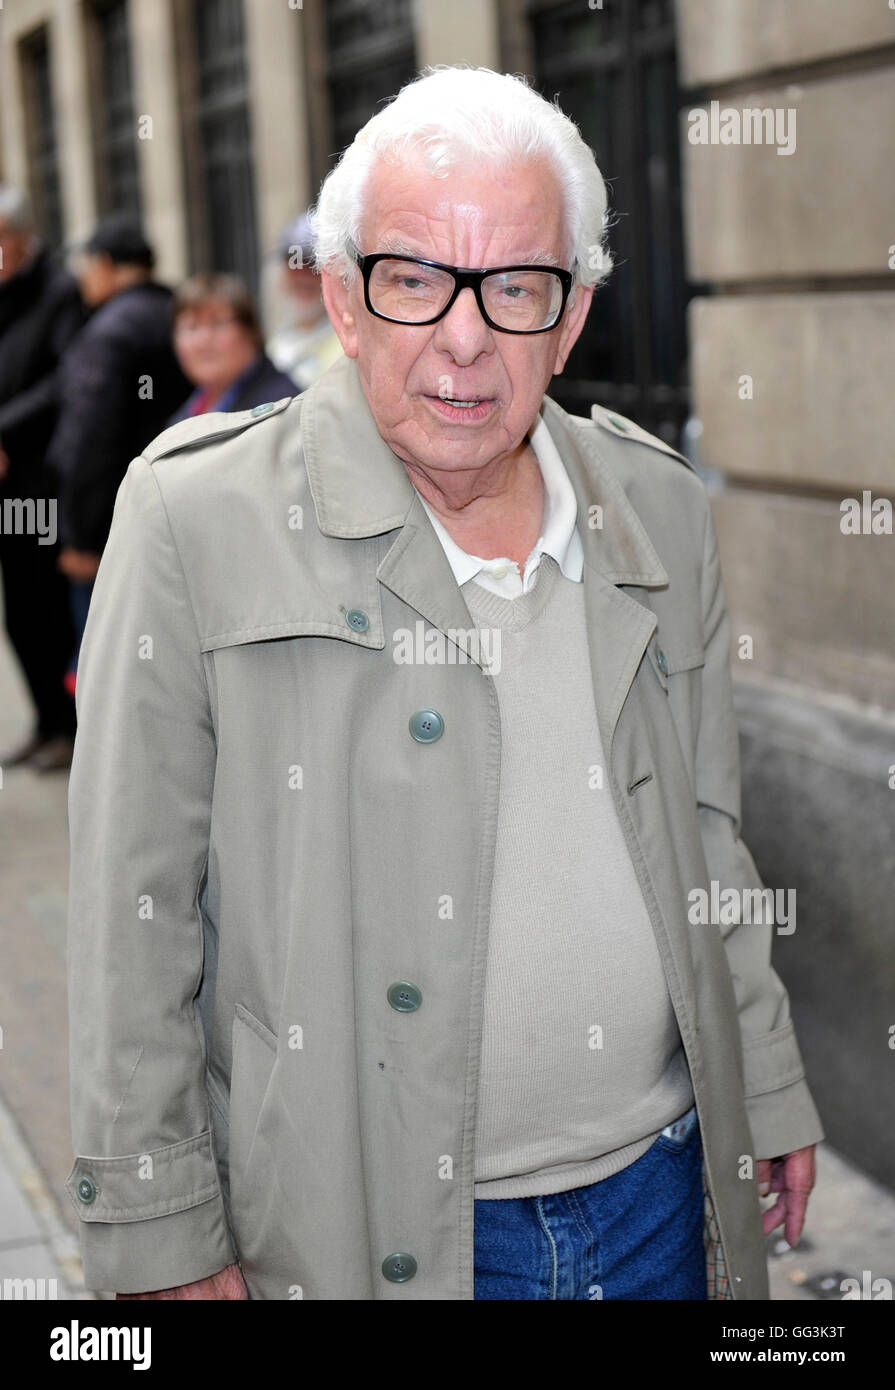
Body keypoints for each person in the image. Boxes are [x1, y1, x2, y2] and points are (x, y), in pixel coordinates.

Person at [65, 65, 824, 1301]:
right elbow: (132, 906)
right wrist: (158, 1227)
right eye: (415, 279)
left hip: (658, 1201)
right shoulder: (193, 515)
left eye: (515, 285)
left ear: (571, 316)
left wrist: (770, 1082)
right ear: (342, 298)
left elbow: (706, 838)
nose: (464, 338)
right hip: (360, 1227)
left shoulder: (657, 510)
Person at [45, 214, 192, 679]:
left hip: (112, 524)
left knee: (106, 667)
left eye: (88, 266)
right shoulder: (175, 311)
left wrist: (80, 537)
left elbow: (89, 441)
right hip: (177, 508)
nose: (83, 278)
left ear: (107, 265)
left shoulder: (108, 332)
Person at [0, 186, 85, 771]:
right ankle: (41, 718)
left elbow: (64, 380)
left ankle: (68, 726)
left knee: (44, 602)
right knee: (17, 610)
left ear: (22, 237)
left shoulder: (59, 291)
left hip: (39, 477)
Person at [167, 273, 299, 423]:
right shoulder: (191, 408)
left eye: (218, 323)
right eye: (191, 327)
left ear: (251, 332)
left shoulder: (280, 408)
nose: (203, 340)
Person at [265, 213, 343, 390]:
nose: (302, 275)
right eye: (294, 264)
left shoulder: (347, 345)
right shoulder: (278, 344)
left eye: (312, 266)